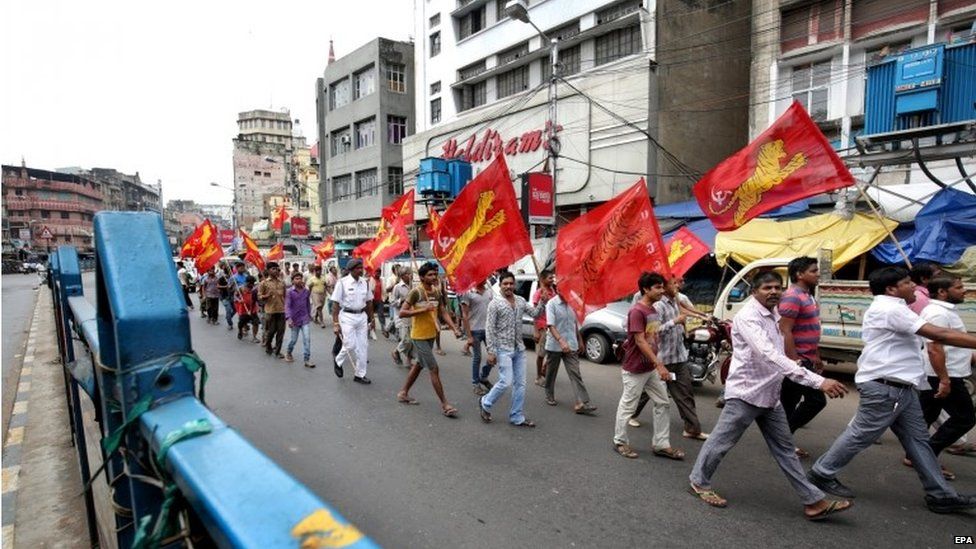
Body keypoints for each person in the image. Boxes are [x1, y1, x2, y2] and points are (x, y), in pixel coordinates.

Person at [808, 267, 976, 514]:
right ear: (891, 289)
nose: (914, 286)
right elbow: (938, 334)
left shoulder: (895, 308)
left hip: (901, 387)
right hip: (886, 386)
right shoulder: (890, 309)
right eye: (907, 283)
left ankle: (940, 495)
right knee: (861, 434)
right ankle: (821, 472)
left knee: (918, 441)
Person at [688, 271, 851, 520]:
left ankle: (813, 501)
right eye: (767, 288)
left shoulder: (774, 314)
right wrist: (817, 381)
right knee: (720, 442)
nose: (773, 291)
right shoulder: (748, 317)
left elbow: (777, 351)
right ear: (754, 291)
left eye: (777, 287)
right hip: (747, 393)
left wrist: (795, 363)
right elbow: (768, 355)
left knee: (785, 449)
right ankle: (699, 481)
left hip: (770, 395)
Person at [908, 276, 976, 481]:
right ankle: (926, 455)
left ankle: (914, 456)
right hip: (944, 374)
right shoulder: (937, 313)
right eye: (959, 287)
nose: (964, 290)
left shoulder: (945, 310)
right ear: (942, 292)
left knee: (927, 415)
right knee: (965, 418)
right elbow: (934, 348)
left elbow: (952, 345)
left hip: (942, 373)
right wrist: (944, 379)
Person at [612, 272, 683, 460]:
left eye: (662, 286)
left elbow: (653, 338)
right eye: (657, 287)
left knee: (663, 402)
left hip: (650, 368)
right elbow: (640, 341)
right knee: (628, 406)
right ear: (645, 289)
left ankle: (661, 444)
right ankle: (620, 441)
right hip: (635, 368)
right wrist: (659, 365)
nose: (662, 290)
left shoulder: (653, 310)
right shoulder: (637, 311)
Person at [397, 262, 463, 417]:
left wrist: (454, 328)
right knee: (434, 368)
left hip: (431, 335)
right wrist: (422, 310)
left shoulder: (436, 291)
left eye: (435, 274)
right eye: (430, 275)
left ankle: (403, 392)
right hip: (419, 336)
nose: (434, 277)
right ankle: (445, 404)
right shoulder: (416, 292)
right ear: (421, 277)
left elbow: (442, 311)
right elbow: (402, 313)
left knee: (419, 365)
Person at [480, 271, 545, 427]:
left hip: (519, 348)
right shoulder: (495, 304)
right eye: (505, 284)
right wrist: (491, 351)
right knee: (505, 382)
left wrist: (542, 301)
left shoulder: (520, 301)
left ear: (514, 285)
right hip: (503, 349)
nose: (508, 286)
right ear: (500, 285)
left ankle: (516, 416)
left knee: (520, 384)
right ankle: (485, 402)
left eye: (511, 283)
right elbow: (489, 328)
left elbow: (536, 314)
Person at [779, 257, 827, 458]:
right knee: (816, 400)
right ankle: (782, 439)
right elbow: (785, 330)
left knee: (788, 402)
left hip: (807, 357)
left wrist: (816, 355)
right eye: (813, 271)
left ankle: (782, 440)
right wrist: (795, 362)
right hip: (797, 360)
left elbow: (812, 329)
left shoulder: (808, 296)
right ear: (799, 274)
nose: (818, 274)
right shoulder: (792, 296)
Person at [654, 276, 707, 440]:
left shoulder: (676, 300)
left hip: (679, 357)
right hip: (663, 359)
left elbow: (686, 310)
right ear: (664, 287)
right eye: (673, 283)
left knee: (685, 394)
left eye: (678, 283)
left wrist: (700, 317)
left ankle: (692, 429)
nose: (677, 286)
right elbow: (653, 331)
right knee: (647, 392)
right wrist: (674, 321)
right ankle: (631, 414)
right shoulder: (658, 306)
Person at [543, 289, 597, 415]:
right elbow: (550, 325)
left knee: (575, 373)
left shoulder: (573, 302)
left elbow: (574, 323)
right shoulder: (552, 304)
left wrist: (580, 340)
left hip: (571, 344)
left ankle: (581, 402)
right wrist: (561, 341)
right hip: (555, 345)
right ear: (557, 289)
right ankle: (549, 394)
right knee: (551, 372)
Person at [331, 258, 374, 383]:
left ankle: (360, 375)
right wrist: (335, 323)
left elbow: (369, 302)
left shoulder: (365, 283)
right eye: (358, 268)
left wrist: (372, 319)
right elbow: (335, 304)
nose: (361, 270)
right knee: (350, 344)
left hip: (362, 316)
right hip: (347, 316)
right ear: (351, 270)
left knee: (363, 347)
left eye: (361, 268)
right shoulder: (342, 283)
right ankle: (338, 360)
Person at [462, 280, 495, 396]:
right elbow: (464, 315)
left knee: (493, 356)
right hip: (474, 330)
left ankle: (483, 377)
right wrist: (469, 336)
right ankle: (475, 383)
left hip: (489, 330)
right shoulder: (468, 292)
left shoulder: (490, 291)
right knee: (477, 357)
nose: (485, 278)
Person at [285, 272, 315, 368]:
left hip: (304, 318)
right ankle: (289, 352)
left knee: (307, 339)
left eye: (300, 278)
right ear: (293, 281)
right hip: (294, 319)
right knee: (293, 340)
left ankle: (307, 359)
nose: (299, 280)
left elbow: (307, 304)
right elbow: (287, 306)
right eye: (296, 279)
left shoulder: (306, 291)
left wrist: (309, 314)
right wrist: (289, 318)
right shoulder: (289, 292)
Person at [532, 270, 556, 386]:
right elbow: (534, 314)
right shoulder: (538, 293)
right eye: (550, 278)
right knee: (541, 354)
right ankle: (538, 377)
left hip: (552, 327)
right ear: (543, 279)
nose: (552, 280)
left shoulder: (553, 291)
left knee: (553, 353)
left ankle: (544, 369)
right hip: (542, 327)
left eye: (553, 277)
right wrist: (536, 331)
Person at [258, 262, 287, 358]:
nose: (276, 271)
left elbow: (285, 296)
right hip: (270, 311)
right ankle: (268, 345)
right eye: (273, 269)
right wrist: (266, 296)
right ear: (268, 270)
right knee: (271, 332)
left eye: (277, 269)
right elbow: (259, 297)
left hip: (281, 310)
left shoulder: (282, 282)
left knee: (281, 332)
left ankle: (278, 351)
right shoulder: (264, 283)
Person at [390, 268, 414, 367]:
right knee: (406, 339)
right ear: (402, 276)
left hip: (413, 315)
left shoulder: (414, 286)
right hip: (402, 316)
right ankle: (396, 351)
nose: (410, 275)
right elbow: (392, 302)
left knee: (413, 339)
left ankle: (409, 360)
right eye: (407, 274)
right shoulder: (397, 287)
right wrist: (402, 300)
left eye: (410, 273)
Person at [235, 275, 259, 342]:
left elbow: (257, 298)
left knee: (256, 323)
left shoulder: (255, 289)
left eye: (253, 283)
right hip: (244, 309)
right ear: (247, 282)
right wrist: (239, 300)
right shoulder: (241, 288)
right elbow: (235, 296)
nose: (252, 284)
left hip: (253, 309)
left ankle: (254, 337)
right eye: (251, 283)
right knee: (241, 323)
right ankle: (240, 331)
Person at [217, 265, 236, 331]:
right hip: (224, 297)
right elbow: (218, 286)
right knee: (228, 310)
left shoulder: (233, 278)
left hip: (232, 297)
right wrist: (226, 286)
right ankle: (230, 324)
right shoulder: (222, 278)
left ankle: (228, 317)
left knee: (235, 310)